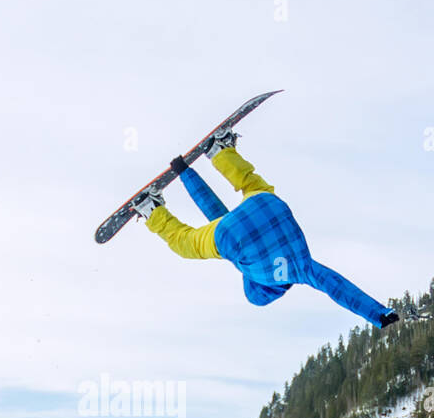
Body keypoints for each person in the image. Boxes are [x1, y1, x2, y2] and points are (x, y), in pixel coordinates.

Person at [132, 131, 398, 328]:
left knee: (252, 184)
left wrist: (378, 312)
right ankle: (151, 208)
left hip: (268, 206)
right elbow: (225, 223)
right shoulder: (267, 273)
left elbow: (337, 286)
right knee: (185, 242)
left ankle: (220, 151)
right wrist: (183, 172)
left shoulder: (304, 266)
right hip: (231, 235)